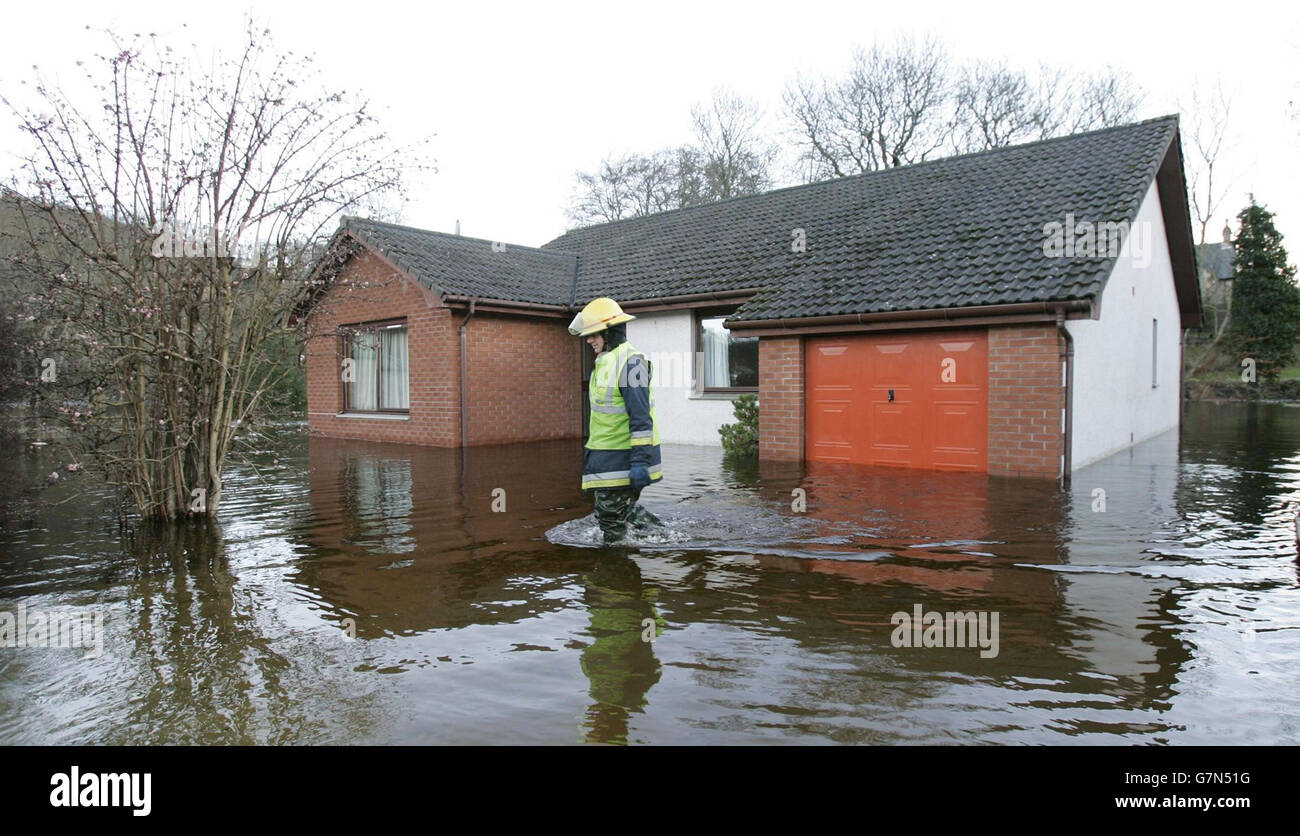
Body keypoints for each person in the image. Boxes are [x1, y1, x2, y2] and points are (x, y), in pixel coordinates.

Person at [568, 297, 663, 546]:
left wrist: (640, 462)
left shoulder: (631, 363)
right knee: (614, 511)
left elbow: (641, 417)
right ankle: (661, 535)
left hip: (624, 458)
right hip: (608, 456)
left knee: (610, 518)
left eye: (594, 334)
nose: (588, 340)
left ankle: (613, 577)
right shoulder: (607, 361)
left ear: (610, 332)